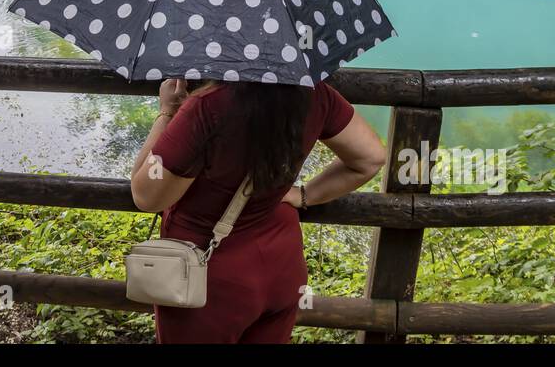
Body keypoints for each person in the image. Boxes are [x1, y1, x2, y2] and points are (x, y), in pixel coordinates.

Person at [130, 76, 386, 343]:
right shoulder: (315, 92)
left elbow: (146, 196)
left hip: (205, 273)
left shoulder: (206, 106)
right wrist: (304, 194)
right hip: (283, 264)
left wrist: (167, 113)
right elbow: (370, 158)